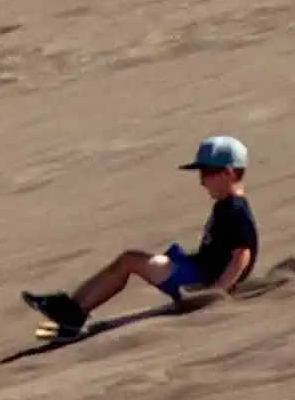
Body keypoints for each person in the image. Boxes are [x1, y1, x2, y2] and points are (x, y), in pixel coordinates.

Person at [22, 137, 258, 340]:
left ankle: (73, 313)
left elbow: (242, 255)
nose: (201, 180)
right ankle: (73, 309)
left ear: (227, 173)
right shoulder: (226, 206)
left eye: (206, 173)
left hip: (199, 279)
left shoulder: (235, 209)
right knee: (129, 260)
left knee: (130, 261)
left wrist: (217, 292)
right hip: (196, 269)